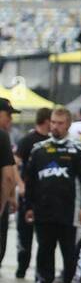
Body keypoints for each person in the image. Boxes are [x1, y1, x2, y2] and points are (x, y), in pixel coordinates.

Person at [23, 105, 81, 283]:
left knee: (72, 256)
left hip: (70, 215)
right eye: (53, 122)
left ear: (68, 125)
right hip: (44, 213)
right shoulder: (39, 149)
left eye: (60, 123)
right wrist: (29, 206)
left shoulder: (79, 150)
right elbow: (30, 181)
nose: (55, 126)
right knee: (44, 254)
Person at [14, 106, 52, 278]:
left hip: (45, 197)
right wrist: (21, 185)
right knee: (25, 236)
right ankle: (22, 267)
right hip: (28, 195)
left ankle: (41, 272)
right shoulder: (28, 140)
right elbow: (14, 163)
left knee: (45, 238)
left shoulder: (52, 142)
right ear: (46, 121)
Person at [0, 97, 18, 268]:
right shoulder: (2, 136)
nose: (10, 120)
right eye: (8, 115)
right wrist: (4, 202)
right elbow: (8, 177)